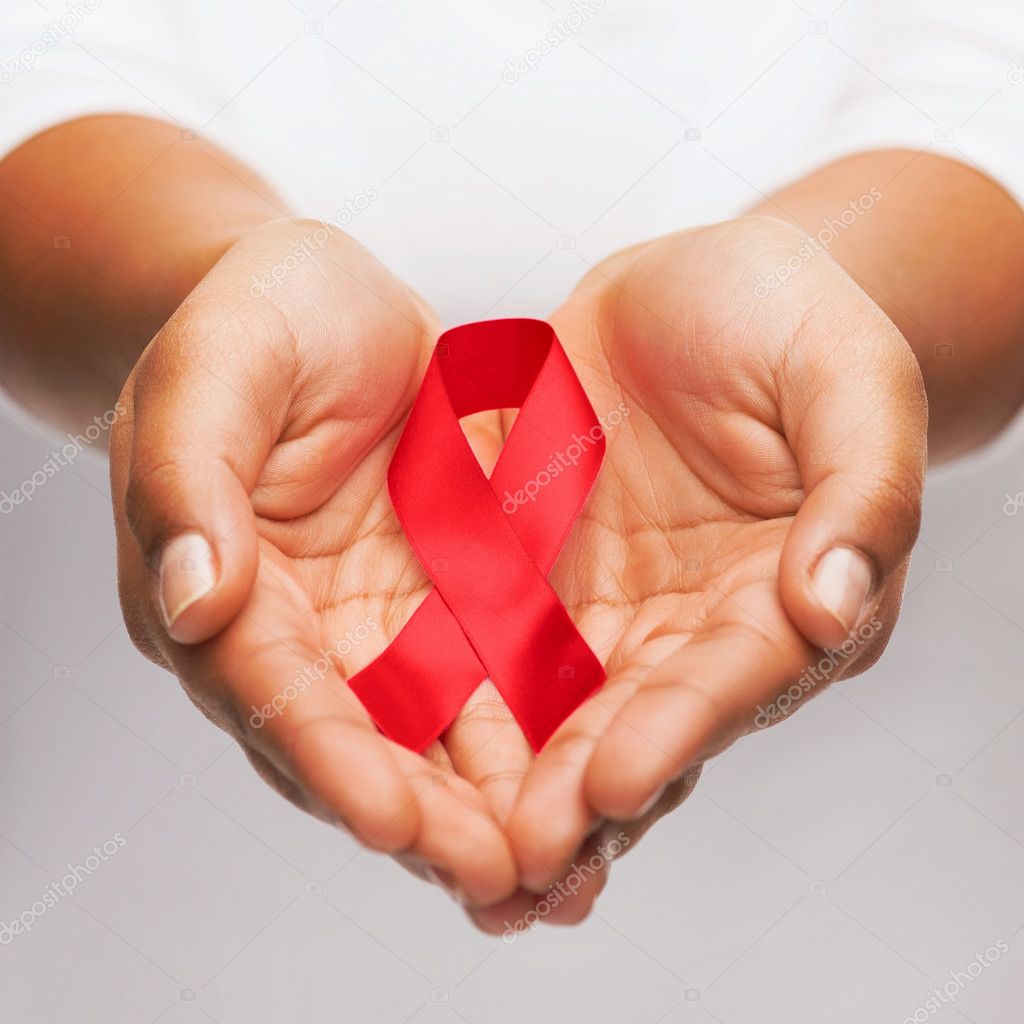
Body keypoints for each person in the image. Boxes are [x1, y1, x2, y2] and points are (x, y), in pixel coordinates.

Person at [1, 0, 1023, 933]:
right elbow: (43, 69)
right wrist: (203, 303)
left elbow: (989, 87)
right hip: (148, 893)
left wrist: (834, 305)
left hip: (867, 898)